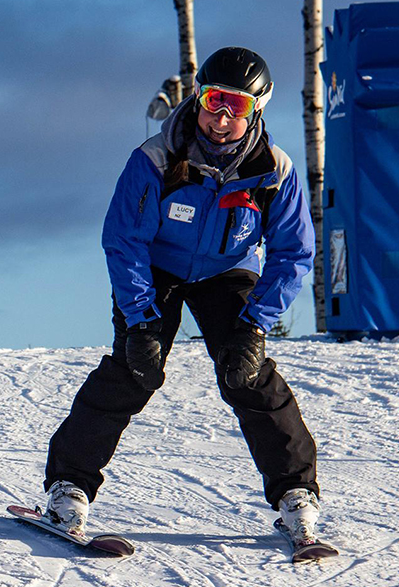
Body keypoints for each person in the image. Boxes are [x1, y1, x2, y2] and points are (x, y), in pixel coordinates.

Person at [41, 47, 323, 546]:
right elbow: (125, 240)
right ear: (197, 96)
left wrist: (256, 322)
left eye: (236, 107)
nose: (221, 118)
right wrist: (142, 318)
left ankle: (295, 493)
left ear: (257, 109)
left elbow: (294, 252)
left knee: (247, 372)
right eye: (214, 101)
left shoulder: (273, 171)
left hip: (227, 269)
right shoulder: (155, 158)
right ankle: (69, 485)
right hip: (156, 268)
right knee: (136, 368)